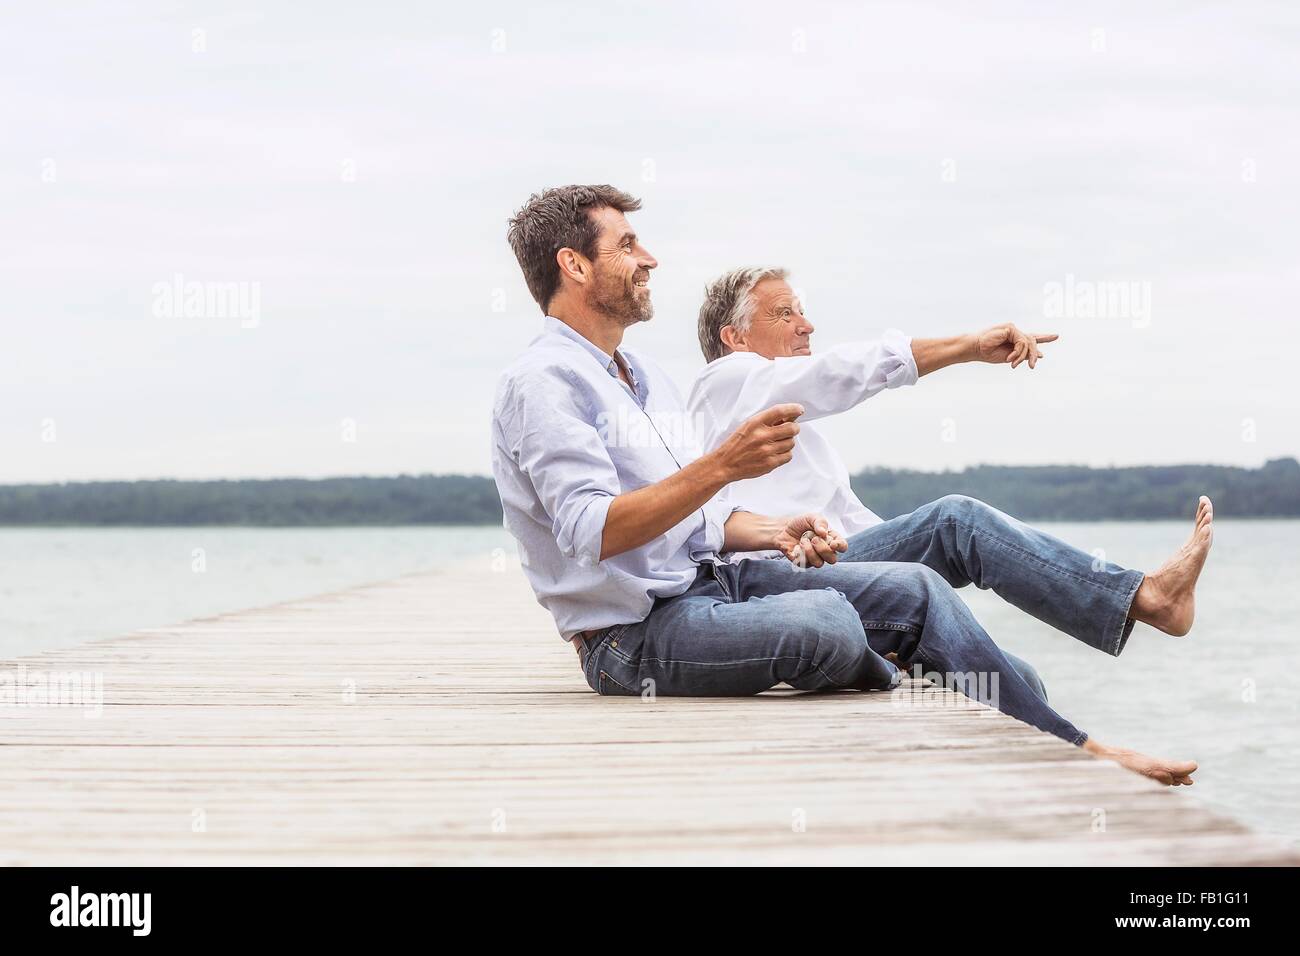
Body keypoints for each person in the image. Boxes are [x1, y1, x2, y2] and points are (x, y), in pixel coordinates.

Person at [492, 184, 1205, 785]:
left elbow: (695, 522)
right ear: (573, 265)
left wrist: (774, 528)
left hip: (713, 584)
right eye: (626, 245)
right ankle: (960, 690)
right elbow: (593, 533)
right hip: (632, 639)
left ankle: (1069, 743)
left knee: (916, 590)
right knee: (829, 620)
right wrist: (723, 467)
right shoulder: (546, 382)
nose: (648, 258)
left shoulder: (643, 377)